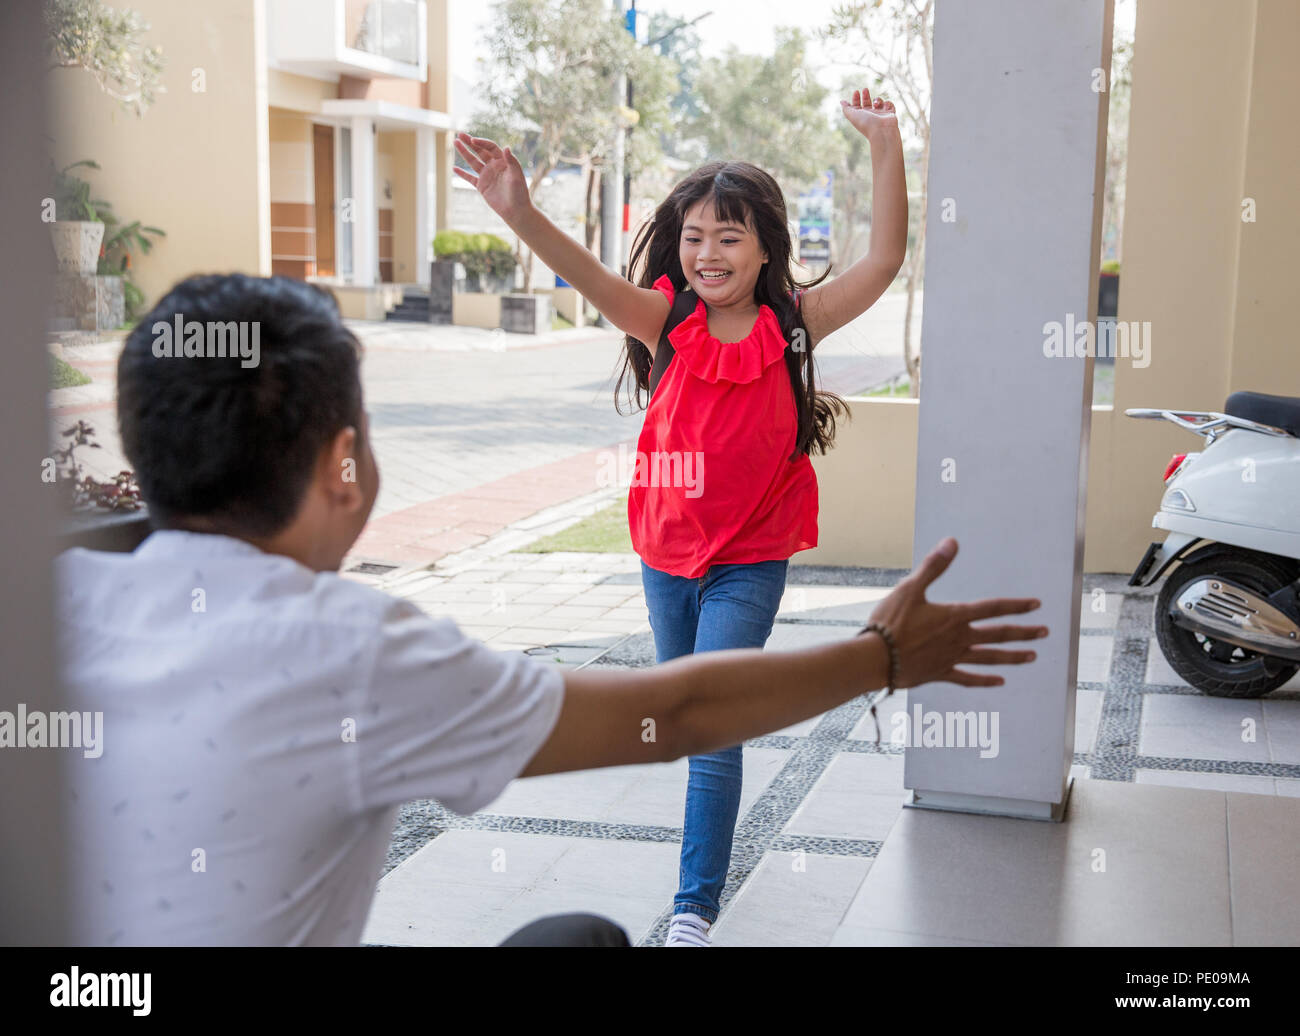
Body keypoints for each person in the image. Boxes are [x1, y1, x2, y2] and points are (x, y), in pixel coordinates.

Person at [54, 272, 1045, 947]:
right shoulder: (348, 655)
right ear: (340, 466)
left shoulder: (55, 601)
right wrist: (881, 654)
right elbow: (678, 715)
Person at [453, 87, 911, 944]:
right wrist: (518, 208)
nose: (707, 252)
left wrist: (885, 143)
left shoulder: (798, 324)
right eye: (695, 236)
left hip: (752, 553)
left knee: (712, 721)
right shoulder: (665, 320)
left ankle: (693, 910)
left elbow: (884, 261)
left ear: (766, 246)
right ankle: (694, 868)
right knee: (676, 719)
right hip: (664, 549)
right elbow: (586, 273)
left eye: (729, 237)